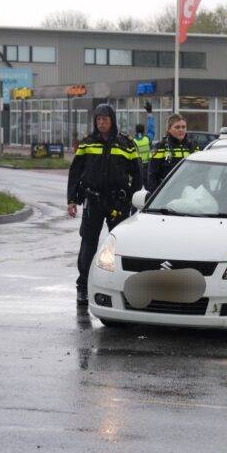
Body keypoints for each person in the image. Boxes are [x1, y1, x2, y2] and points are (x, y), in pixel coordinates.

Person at [67, 104, 143, 305]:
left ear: (112, 120)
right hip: (93, 201)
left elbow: (137, 175)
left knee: (119, 246)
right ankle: (82, 287)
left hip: (118, 203)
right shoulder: (87, 144)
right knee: (88, 244)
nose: (100, 123)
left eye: (104, 119)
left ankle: (119, 286)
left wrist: (134, 202)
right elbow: (75, 172)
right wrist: (72, 199)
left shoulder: (126, 144)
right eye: (97, 120)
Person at [146, 113, 201, 191]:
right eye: (177, 127)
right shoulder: (160, 147)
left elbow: (200, 173)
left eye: (183, 127)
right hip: (167, 194)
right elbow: (152, 176)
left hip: (190, 194)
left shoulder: (194, 147)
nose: (181, 130)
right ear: (169, 129)